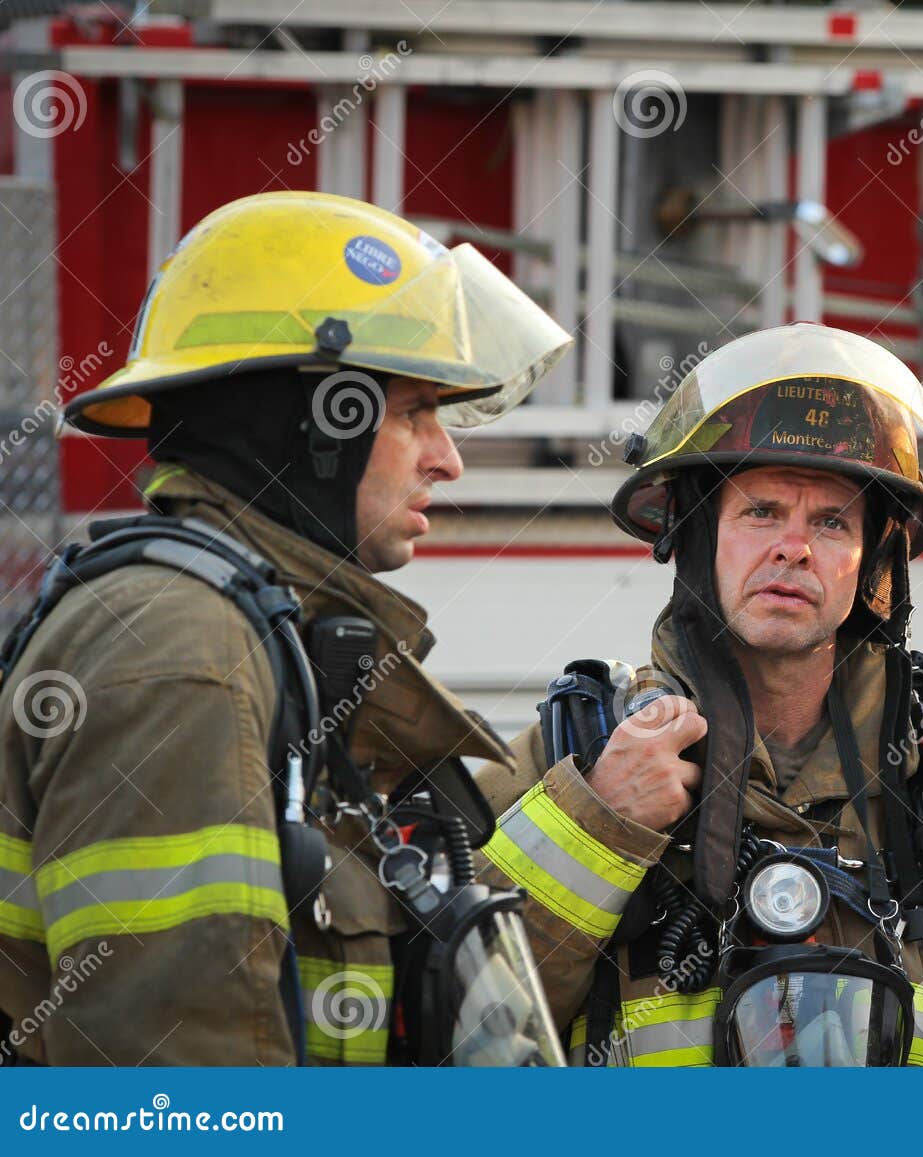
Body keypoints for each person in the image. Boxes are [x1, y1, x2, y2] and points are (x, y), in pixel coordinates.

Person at [0, 191, 572, 1065]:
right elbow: (185, 1094)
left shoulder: (257, 633)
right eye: (415, 411)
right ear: (315, 425)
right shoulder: (186, 653)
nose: (447, 458)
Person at [474, 323, 923, 1066]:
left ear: (873, 562)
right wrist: (600, 825)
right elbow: (465, 1032)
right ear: (698, 537)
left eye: (831, 522)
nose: (794, 547)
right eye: (761, 511)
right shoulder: (577, 758)